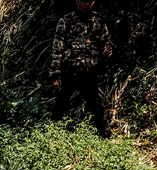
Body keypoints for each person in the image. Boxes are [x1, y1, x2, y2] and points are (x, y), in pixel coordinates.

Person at [48, 0, 114, 138]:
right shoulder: (66, 21)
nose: (87, 4)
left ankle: (106, 136)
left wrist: (108, 48)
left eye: (90, 1)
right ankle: (50, 133)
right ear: (77, 1)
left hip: (89, 72)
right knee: (61, 103)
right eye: (84, 1)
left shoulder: (98, 21)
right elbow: (57, 49)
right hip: (69, 71)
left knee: (96, 105)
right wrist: (55, 75)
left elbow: (106, 40)